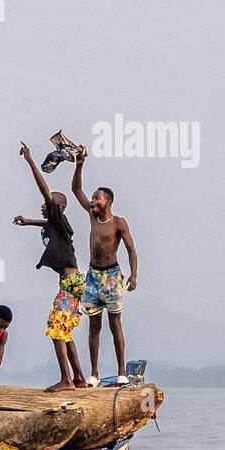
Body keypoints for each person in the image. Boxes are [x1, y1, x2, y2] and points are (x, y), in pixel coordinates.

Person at [14, 141, 90, 392]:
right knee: (64, 331)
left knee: (56, 330)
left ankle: (67, 380)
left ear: (56, 208)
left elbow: (43, 190)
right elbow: (45, 223)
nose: (43, 206)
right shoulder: (54, 225)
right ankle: (79, 378)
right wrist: (28, 222)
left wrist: (29, 161)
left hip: (71, 283)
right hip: (74, 282)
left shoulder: (57, 217)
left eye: (48, 204)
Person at [72, 151, 139, 385]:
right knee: (94, 326)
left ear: (107, 201)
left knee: (115, 323)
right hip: (93, 276)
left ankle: (121, 371)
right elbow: (76, 190)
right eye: (92, 199)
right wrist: (79, 165)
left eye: (96, 198)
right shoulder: (92, 216)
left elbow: (131, 249)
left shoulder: (119, 223)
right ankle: (94, 373)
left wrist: (133, 275)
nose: (92, 202)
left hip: (112, 276)